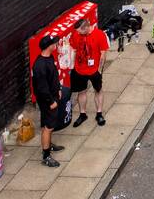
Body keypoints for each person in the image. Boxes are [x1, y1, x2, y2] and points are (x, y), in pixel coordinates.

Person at [31, 36, 65, 167]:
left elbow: (53, 77)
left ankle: (49, 145)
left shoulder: (49, 57)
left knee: (48, 123)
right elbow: (41, 88)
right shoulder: (40, 66)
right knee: (48, 127)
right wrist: (51, 101)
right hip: (47, 100)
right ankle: (46, 155)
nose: (55, 44)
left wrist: (59, 89)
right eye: (53, 43)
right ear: (48, 46)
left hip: (53, 95)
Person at [69, 17, 109, 128]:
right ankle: (82, 114)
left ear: (86, 27)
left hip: (94, 69)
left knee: (98, 90)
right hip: (79, 69)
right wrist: (72, 66)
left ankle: (99, 114)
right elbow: (74, 49)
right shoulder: (76, 34)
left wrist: (99, 70)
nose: (77, 33)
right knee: (81, 92)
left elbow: (103, 53)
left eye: (79, 31)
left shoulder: (99, 34)